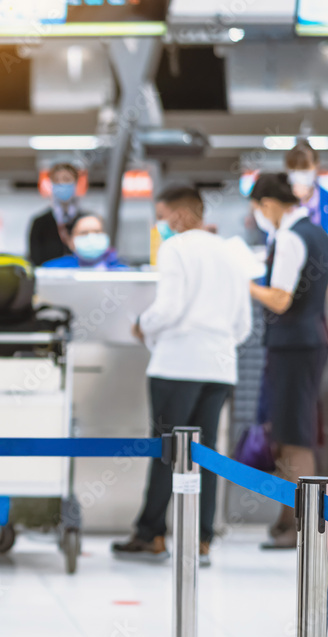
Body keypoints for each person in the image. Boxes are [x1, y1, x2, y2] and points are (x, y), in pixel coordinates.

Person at [112, 185, 252, 565]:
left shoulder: (175, 248)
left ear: (177, 215)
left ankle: (150, 534)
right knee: (206, 453)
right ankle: (201, 540)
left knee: (165, 450)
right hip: (220, 367)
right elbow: (244, 324)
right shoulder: (231, 251)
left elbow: (169, 308)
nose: (161, 225)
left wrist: (143, 324)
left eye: (162, 215)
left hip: (177, 364)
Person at [248, 172, 328, 549]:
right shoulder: (317, 233)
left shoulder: (290, 236)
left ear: (267, 205)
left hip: (294, 345)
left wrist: (244, 283)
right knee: (291, 430)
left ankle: (300, 526)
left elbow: (281, 298)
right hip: (306, 341)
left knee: (294, 434)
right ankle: (290, 520)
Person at [27, 162, 88, 266]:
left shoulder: (87, 221)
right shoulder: (40, 223)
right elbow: (35, 260)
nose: (61, 184)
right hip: (48, 278)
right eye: (57, 181)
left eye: (66, 180)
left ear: (76, 183)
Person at [41, 214, 128, 270]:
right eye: (84, 233)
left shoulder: (123, 272)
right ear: (70, 241)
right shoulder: (53, 270)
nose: (91, 237)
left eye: (97, 232)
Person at [285, 139, 328, 234]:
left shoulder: (326, 200)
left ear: (316, 166)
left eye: (304, 168)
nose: (298, 174)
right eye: (294, 169)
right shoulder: (283, 203)